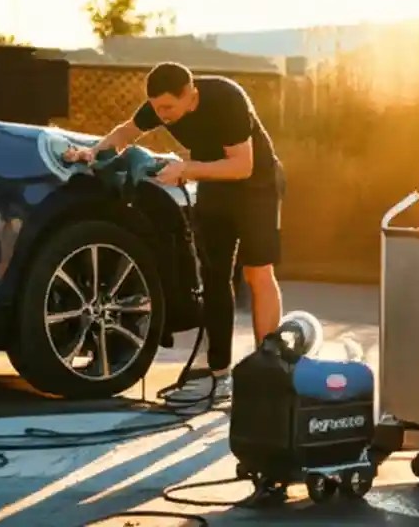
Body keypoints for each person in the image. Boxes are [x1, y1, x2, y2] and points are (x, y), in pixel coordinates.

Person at [64, 61, 285, 398]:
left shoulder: (227, 99)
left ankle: (269, 368)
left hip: (257, 186)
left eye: (168, 107)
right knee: (214, 276)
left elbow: (243, 165)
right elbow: (126, 132)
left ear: (191, 95)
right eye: (156, 107)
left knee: (257, 272)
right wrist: (92, 153)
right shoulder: (160, 106)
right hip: (213, 184)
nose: (162, 114)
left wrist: (186, 169)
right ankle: (219, 373)